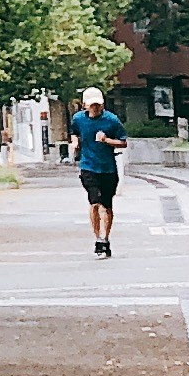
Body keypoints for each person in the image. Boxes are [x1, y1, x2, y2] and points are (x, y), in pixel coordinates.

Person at [69, 85, 128, 257]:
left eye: (98, 105)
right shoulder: (79, 119)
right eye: (92, 105)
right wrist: (75, 142)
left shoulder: (111, 120)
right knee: (95, 203)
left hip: (108, 168)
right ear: (85, 105)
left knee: (107, 206)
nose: (95, 108)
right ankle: (97, 239)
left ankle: (105, 238)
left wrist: (107, 140)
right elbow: (74, 131)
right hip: (88, 166)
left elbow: (123, 142)